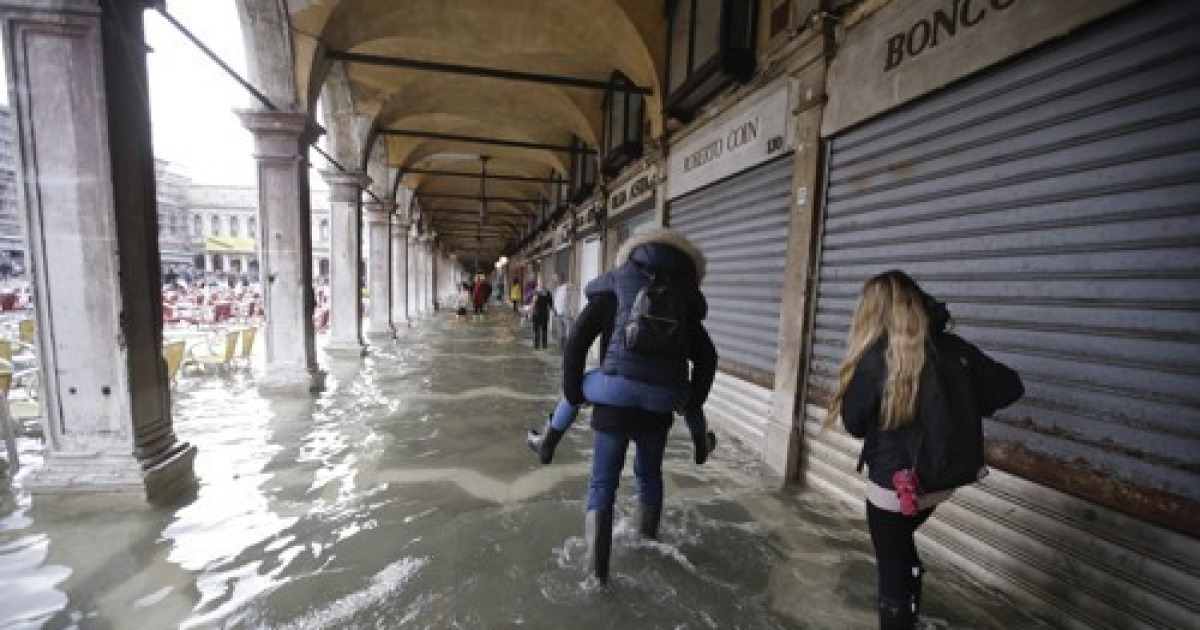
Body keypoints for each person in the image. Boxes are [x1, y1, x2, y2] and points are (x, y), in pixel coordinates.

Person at [826, 270, 1023, 630]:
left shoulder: (874, 361)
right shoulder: (955, 349)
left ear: (873, 314)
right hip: (941, 482)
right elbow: (1010, 387)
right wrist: (960, 401)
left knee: (893, 568)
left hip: (893, 490)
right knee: (903, 549)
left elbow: (854, 424)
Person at [527, 229, 718, 583]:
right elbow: (708, 358)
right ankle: (650, 543)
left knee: (602, 485)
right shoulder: (685, 295)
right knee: (650, 478)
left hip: (613, 398)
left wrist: (574, 391)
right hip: (661, 406)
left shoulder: (615, 284)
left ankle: (596, 576)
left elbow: (576, 343)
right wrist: (692, 401)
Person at [529, 282, 554, 349]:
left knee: (537, 330)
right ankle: (544, 345)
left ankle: (537, 346)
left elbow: (533, 304)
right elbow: (551, 304)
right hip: (544, 314)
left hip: (538, 314)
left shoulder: (536, 293)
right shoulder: (548, 293)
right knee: (544, 330)